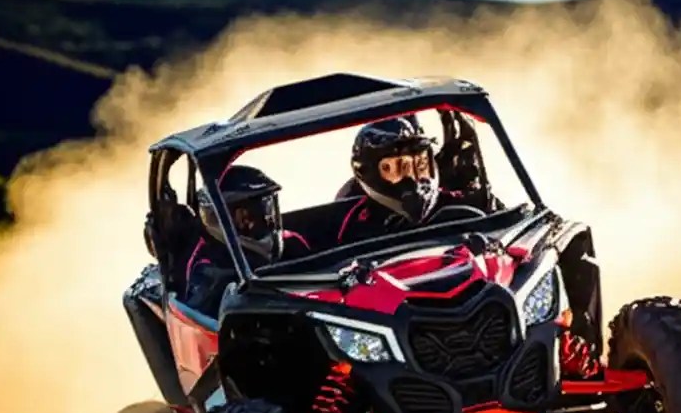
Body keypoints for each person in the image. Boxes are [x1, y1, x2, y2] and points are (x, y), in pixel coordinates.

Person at [334, 110, 502, 246]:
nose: (413, 180)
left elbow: (512, 236)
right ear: (367, 173)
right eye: (396, 168)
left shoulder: (464, 202)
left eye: (420, 165)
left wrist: (486, 203)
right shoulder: (350, 224)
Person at [182, 165, 308, 315]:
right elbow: (199, 323)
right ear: (218, 219)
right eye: (246, 215)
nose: (264, 219)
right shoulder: (208, 266)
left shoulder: (292, 242)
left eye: (267, 208)